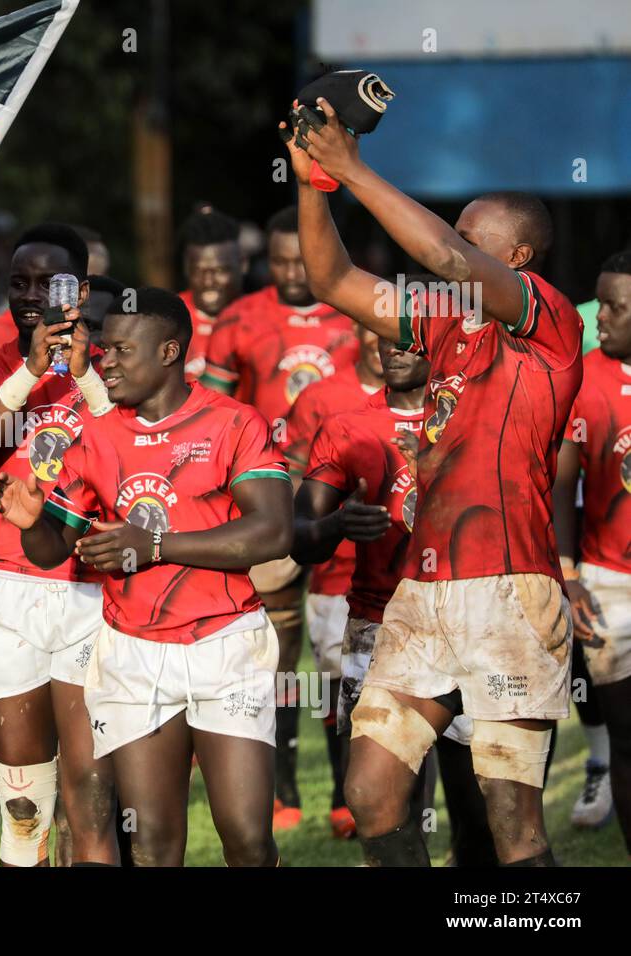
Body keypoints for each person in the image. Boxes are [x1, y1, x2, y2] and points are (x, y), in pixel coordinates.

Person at [287, 97, 582, 866]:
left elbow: (449, 257)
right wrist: (313, 182)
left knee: (513, 825)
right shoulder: (444, 325)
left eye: (473, 236)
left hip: (509, 586)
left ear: (515, 260)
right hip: (423, 589)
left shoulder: (546, 317)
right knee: (374, 793)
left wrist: (355, 167)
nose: (449, 248)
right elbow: (330, 277)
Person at [0, 287, 292, 866]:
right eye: (104, 350)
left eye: (123, 351)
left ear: (170, 351)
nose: (106, 362)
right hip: (132, 652)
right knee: (152, 843)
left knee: (247, 839)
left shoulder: (233, 421)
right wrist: (31, 524)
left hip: (224, 643)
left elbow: (273, 532)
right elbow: (56, 549)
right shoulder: (95, 433)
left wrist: (153, 545)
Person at [0, 223, 118, 866]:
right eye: (19, 281)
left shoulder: (113, 369)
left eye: (49, 282)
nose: (31, 295)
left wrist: (83, 376)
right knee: (24, 808)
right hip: (8, 592)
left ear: (81, 288)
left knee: (93, 797)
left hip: (92, 592)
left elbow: (130, 457)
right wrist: (29, 372)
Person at [291, 333, 495, 865]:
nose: (395, 348)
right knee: (380, 799)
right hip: (381, 628)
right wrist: (336, 523)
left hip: (468, 620)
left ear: (443, 343)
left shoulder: (479, 415)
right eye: (387, 338)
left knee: (478, 803)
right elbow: (300, 536)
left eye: (412, 338)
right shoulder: (346, 427)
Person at [201, 204, 359, 830]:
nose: (294, 271)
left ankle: (347, 793)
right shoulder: (240, 318)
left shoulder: (355, 306)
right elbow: (210, 410)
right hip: (267, 496)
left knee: (341, 653)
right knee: (278, 650)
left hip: (342, 495)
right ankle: (283, 789)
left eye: (304, 259)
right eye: (282, 260)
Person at [282, 319, 385, 838]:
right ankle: (347, 794)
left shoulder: (440, 395)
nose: (385, 342)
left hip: (411, 576)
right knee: (337, 683)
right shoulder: (324, 398)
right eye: (376, 329)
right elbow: (299, 481)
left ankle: (388, 803)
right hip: (335, 574)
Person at [555, 249, 631, 855]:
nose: (598, 317)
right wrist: (569, 572)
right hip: (608, 581)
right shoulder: (581, 378)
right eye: (599, 302)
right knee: (625, 736)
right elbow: (560, 484)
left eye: (614, 307)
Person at [176, 205, 244, 380]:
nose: (209, 282)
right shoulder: (167, 321)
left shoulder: (260, 319)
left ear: (243, 265)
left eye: (220, 270)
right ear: (186, 268)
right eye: (199, 271)